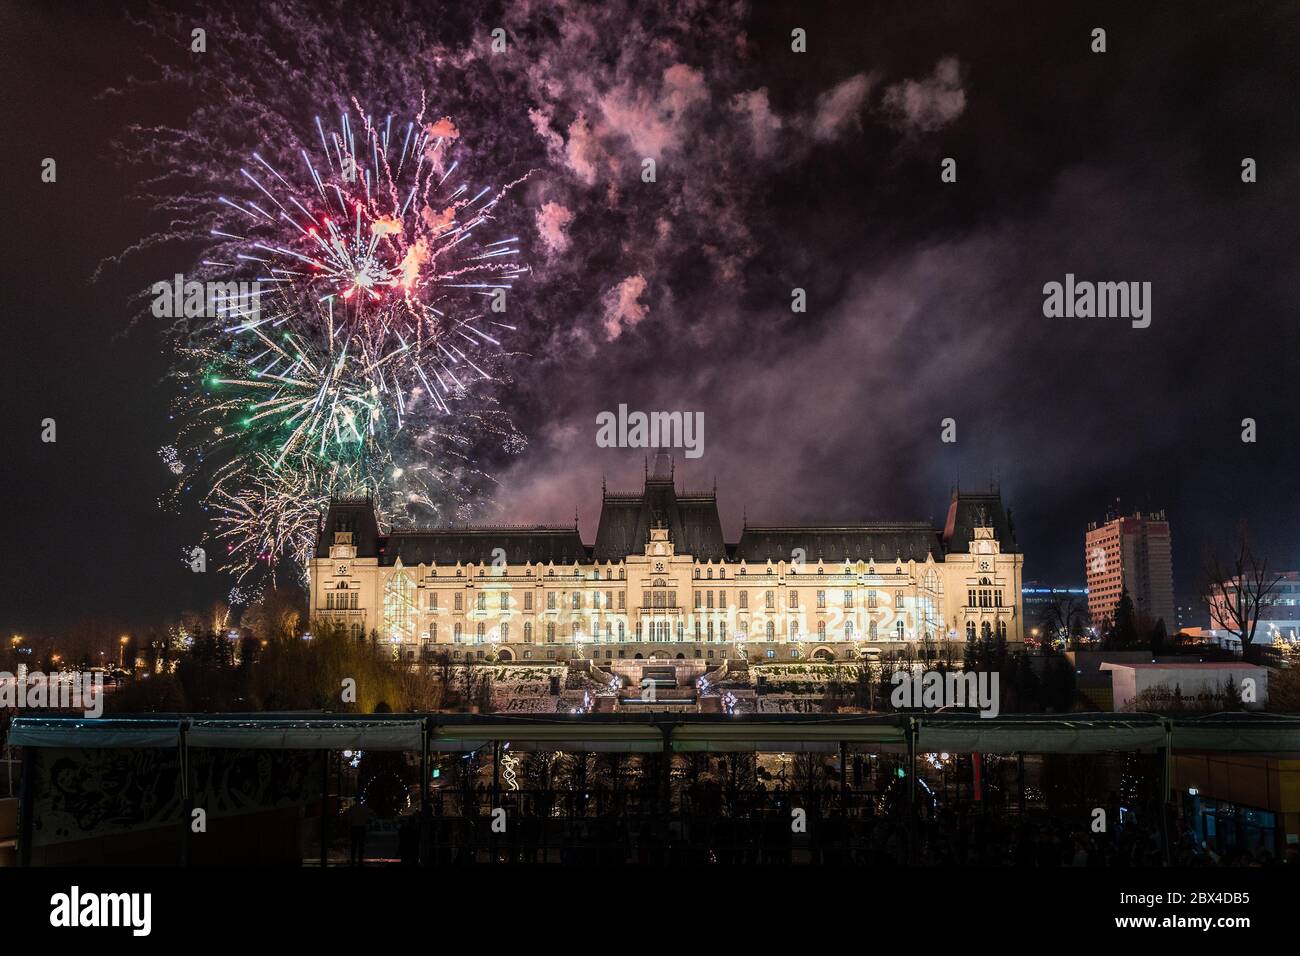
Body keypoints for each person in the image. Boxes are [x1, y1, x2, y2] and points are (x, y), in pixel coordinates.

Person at [345, 799, 375, 866]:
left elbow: (349, 819)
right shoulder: (364, 808)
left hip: (354, 828)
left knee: (354, 845)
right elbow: (369, 816)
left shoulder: (353, 808)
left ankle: (353, 860)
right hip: (362, 827)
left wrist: (349, 826)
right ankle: (360, 860)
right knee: (361, 845)